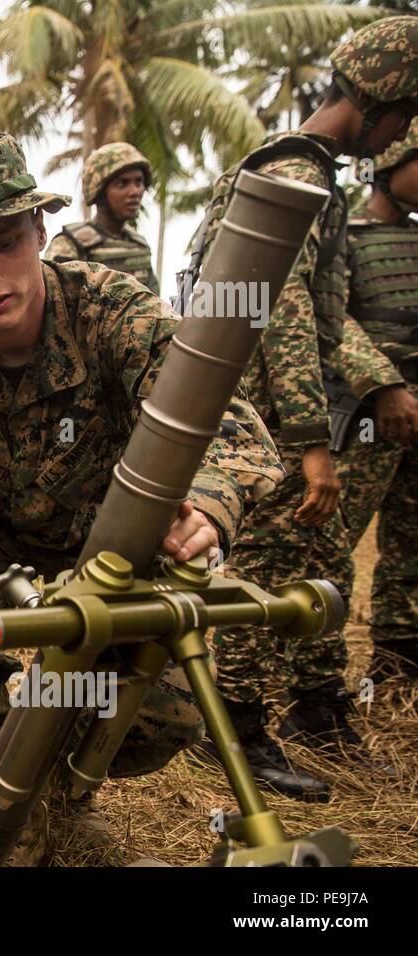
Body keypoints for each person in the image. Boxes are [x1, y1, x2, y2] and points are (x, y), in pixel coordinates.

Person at [0, 131, 282, 840]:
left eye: (6, 243)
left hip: (108, 543)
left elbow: (225, 417)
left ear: (40, 231)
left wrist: (207, 500)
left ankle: (62, 782)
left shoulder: (113, 311)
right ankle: (10, 783)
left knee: (163, 712)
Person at [187, 16, 418, 798]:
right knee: (268, 570)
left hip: (272, 408)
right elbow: (279, 310)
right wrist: (309, 440)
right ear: (384, 107)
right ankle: (237, 730)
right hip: (266, 420)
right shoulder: (299, 174)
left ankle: (317, 709)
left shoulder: (301, 166)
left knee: (313, 567)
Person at [328, 124, 418, 692]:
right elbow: (332, 318)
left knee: (411, 546)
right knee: (335, 549)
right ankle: (312, 679)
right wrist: (384, 385)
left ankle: (397, 667)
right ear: (387, 164)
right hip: (367, 418)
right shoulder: (349, 237)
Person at [45, 142, 159, 293]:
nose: (135, 191)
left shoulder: (139, 245)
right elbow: (55, 305)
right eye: (122, 184)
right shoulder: (70, 245)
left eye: (139, 182)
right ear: (99, 193)